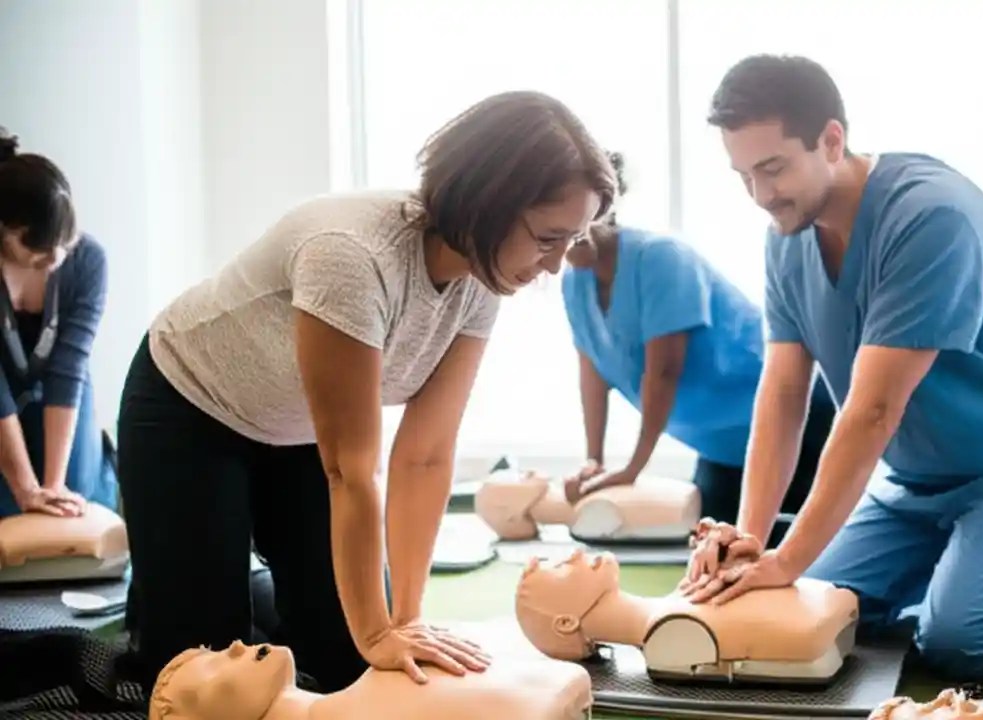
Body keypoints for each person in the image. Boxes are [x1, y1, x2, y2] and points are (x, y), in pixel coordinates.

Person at [116, 91, 617, 693]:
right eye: (547, 238)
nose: (556, 266)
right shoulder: (352, 256)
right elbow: (353, 470)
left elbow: (425, 453)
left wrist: (404, 620)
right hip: (189, 409)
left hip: (296, 429)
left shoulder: (485, 278)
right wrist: (379, 631)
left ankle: (228, 580)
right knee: (206, 676)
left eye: (573, 240)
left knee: (351, 657)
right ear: (488, 204)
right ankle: (167, 595)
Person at [679, 54, 983, 681]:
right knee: (813, 612)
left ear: (831, 140)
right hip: (919, 483)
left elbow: (872, 411)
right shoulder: (785, 235)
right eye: (743, 175)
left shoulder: (929, 216)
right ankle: (973, 559)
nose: (760, 195)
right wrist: (751, 543)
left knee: (962, 643)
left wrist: (788, 559)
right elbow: (782, 395)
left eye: (773, 168)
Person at [560, 151, 835, 544]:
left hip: (798, 424)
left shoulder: (661, 259)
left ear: (599, 206)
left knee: (797, 562)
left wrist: (633, 468)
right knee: (714, 560)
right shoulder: (575, 281)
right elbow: (592, 372)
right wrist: (595, 461)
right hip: (723, 447)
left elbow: (664, 374)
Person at [0, 128, 115, 520]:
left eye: (63, 247)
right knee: (11, 507)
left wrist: (53, 486)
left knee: (76, 496)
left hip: (58, 385)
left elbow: (69, 369)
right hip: (6, 394)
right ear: (8, 233)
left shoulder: (86, 261)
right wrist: (26, 489)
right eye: (41, 252)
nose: (55, 261)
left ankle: (101, 469)